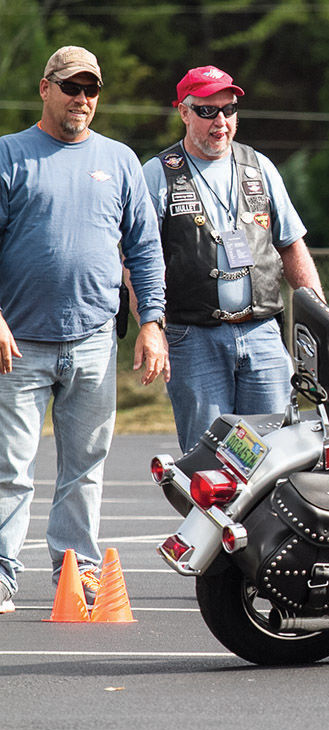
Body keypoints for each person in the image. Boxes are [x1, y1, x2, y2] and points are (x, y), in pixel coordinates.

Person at [0, 46, 167, 614]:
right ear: (44, 88)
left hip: (94, 339)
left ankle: (80, 572)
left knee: (85, 470)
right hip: (17, 345)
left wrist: (152, 324)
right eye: (71, 86)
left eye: (92, 89)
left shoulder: (119, 160)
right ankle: (1, 577)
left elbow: (145, 249)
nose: (82, 99)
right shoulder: (10, 155)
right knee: (9, 470)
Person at [142, 65, 325, 453]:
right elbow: (138, 259)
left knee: (276, 454)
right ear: (184, 112)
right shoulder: (157, 174)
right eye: (207, 111)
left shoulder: (259, 166)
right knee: (209, 459)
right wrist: (151, 324)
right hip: (193, 336)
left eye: (229, 109)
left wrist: (320, 318)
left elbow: (292, 246)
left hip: (261, 333)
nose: (220, 121)